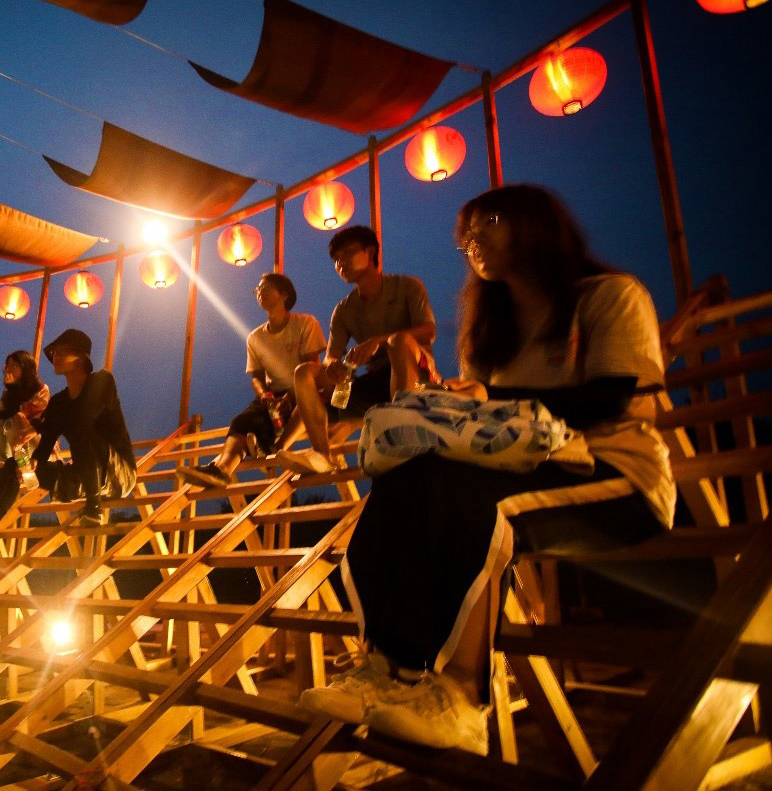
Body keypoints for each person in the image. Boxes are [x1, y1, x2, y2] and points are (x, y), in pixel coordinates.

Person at [298, 185, 674, 755]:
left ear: (540, 224)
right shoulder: (490, 333)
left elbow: (611, 398)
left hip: (613, 474)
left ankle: (461, 698)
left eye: (490, 220)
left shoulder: (608, 296)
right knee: (406, 476)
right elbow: (485, 422)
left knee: (479, 502)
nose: (473, 238)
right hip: (520, 468)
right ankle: (386, 668)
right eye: (465, 233)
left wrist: (493, 392)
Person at [0, 329, 136, 561]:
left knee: (84, 428)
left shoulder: (102, 380)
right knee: (15, 464)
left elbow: (84, 420)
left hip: (118, 473)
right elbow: (46, 445)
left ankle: (94, 508)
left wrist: (39, 425)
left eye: (63, 352)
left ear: (82, 357)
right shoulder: (59, 401)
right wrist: (32, 463)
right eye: (55, 352)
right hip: (82, 477)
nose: (56, 356)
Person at [279, 225, 438, 474]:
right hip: (375, 384)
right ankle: (322, 454)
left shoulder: (407, 286)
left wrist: (378, 341)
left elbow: (429, 331)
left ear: (371, 251)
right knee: (304, 373)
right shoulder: (344, 310)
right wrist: (332, 366)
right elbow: (331, 355)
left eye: (349, 253)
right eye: (337, 259)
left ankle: (403, 435)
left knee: (398, 342)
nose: (342, 262)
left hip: (418, 379)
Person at [176, 273, 325, 487]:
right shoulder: (255, 337)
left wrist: (290, 397)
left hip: (303, 391)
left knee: (301, 406)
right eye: (257, 289)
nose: (259, 293)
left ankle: (272, 448)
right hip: (273, 395)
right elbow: (256, 376)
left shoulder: (305, 324)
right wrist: (264, 395)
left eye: (265, 288)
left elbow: (311, 366)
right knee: (242, 422)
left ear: (284, 294)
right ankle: (221, 469)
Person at [0, 350, 50, 466]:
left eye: (14, 365)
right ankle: (4, 468)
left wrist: (13, 412)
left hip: (37, 443)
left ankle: (23, 467)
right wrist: (10, 389)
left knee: (13, 423)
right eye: (7, 365)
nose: (8, 369)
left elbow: (29, 417)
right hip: (16, 445)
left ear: (26, 367)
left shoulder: (40, 389)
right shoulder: (8, 392)